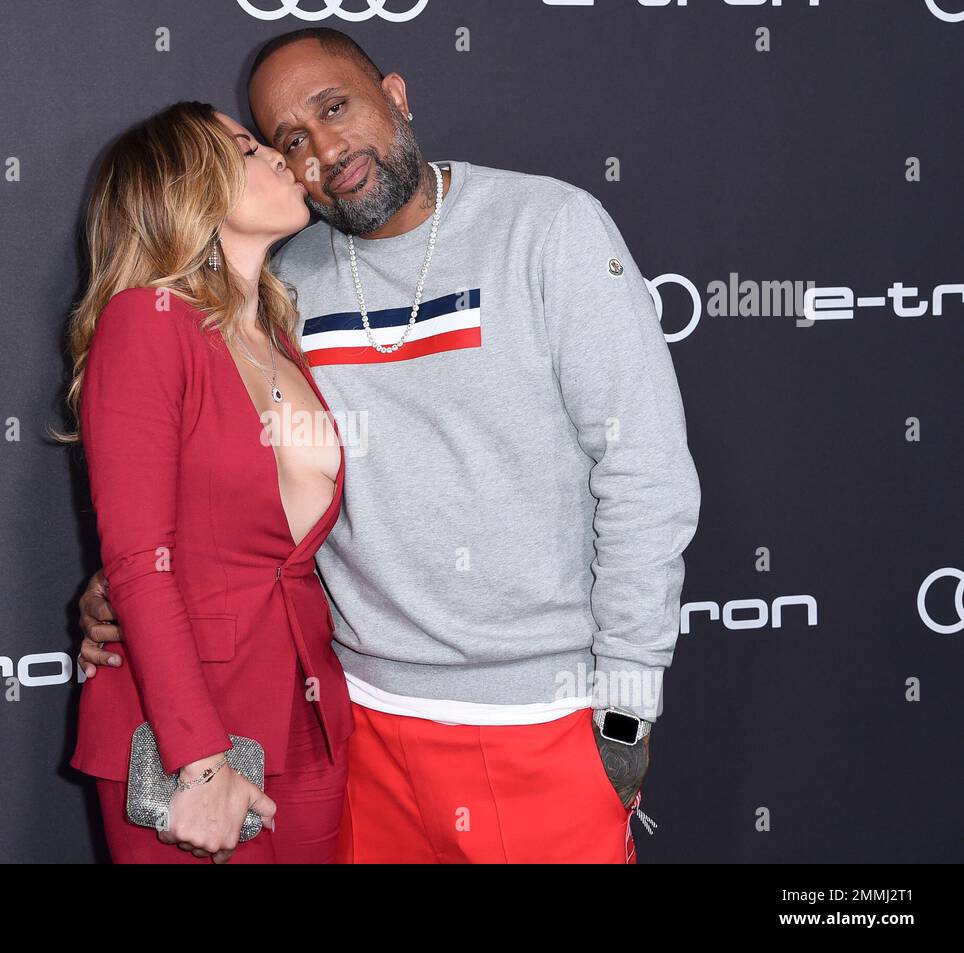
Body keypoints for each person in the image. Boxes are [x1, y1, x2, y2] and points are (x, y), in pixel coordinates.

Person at [79, 29, 701, 864]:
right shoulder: (284, 282)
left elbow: (646, 474)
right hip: (357, 719)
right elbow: (190, 489)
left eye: (335, 108)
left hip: (538, 714)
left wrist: (627, 700)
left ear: (397, 96)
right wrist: (123, 583)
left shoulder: (547, 226)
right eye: (286, 141)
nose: (322, 151)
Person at [55, 100, 353, 863]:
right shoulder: (146, 323)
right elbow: (137, 559)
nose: (284, 157)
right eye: (248, 147)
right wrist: (203, 759)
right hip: (184, 733)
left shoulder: (285, 338)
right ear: (184, 187)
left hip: (309, 709)